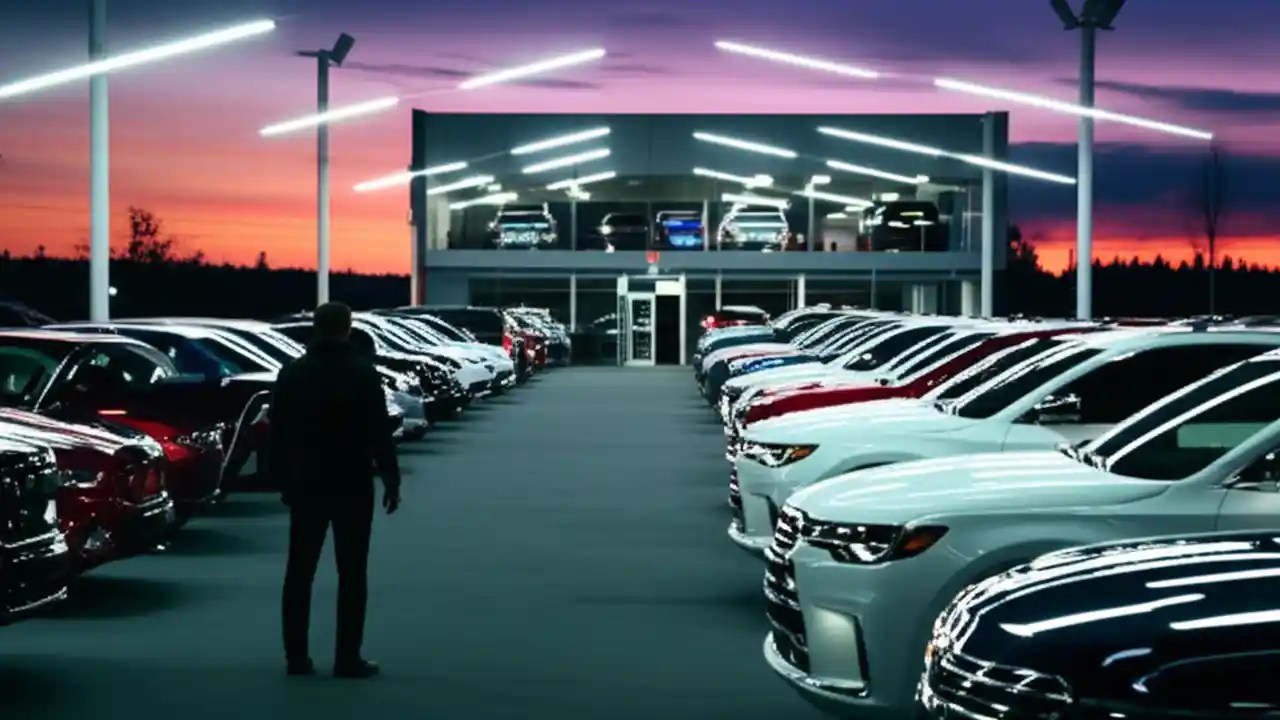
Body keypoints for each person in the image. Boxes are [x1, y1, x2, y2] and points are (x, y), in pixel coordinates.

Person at [270, 302, 402, 679]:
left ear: (315, 328)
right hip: (351, 481)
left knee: (299, 572)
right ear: (348, 328)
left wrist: (283, 479)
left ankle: (296, 656)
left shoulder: (293, 372)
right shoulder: (362, 372)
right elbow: (379, 430)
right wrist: (390, 477)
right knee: (352, 572)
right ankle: (348, 657)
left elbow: (279, 432)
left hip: (307, 481)